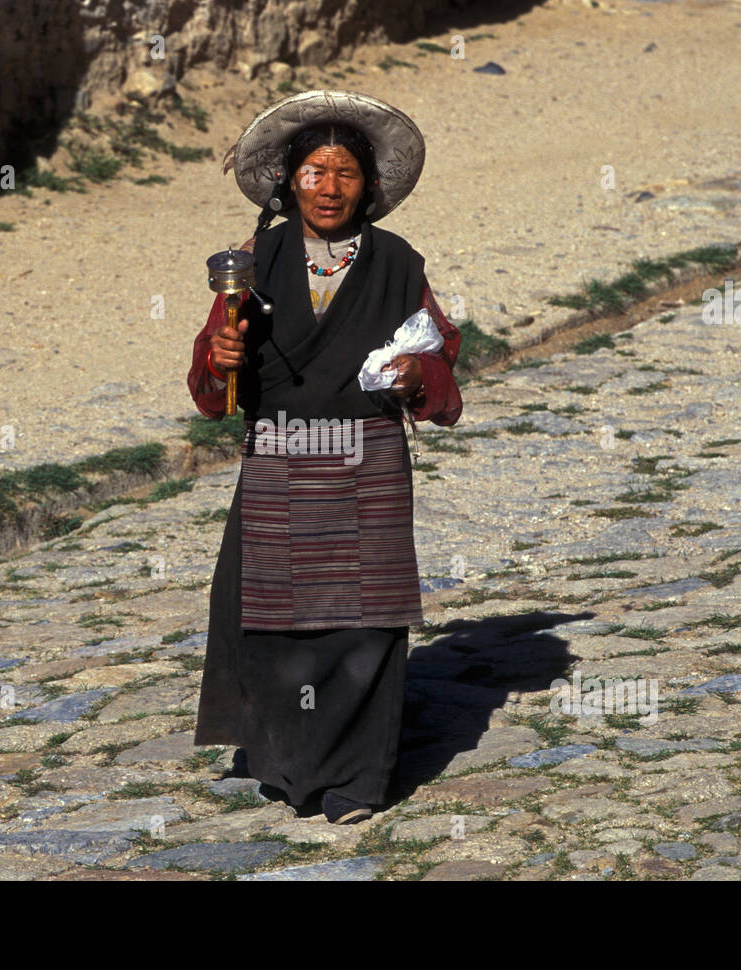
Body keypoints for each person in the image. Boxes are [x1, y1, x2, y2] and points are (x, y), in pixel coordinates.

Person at [186, 90, 462, 824]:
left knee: (365, 627)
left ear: (368, 187)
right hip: (279, 459)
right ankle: (288, 764)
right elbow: (211, 393)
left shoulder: (400, 266)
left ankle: (357, 781)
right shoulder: (250, 267)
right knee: (277, 625)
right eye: (314, 171)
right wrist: (223, 357)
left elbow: (444, 374)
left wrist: (415, 376)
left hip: (366, 462)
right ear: (289, 182)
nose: (330, 188)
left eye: (345, 174)